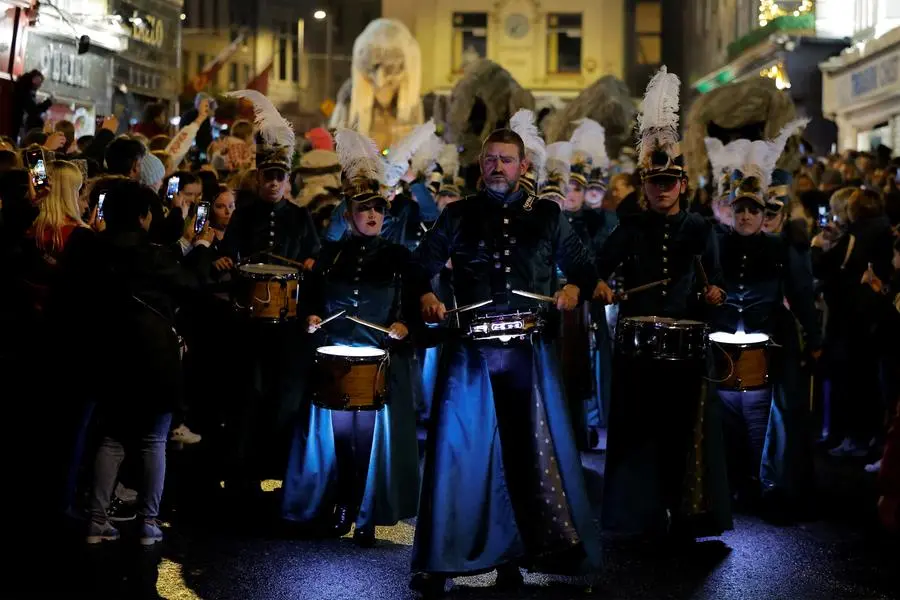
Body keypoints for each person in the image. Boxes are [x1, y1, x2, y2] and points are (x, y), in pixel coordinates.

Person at [410, 127, 601, 598]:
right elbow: (418, 267)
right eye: (491, 158)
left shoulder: (550, 216)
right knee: (459, 456)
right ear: (482, 164)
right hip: (469, 352)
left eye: (508, 159)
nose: (499, 166)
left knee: (527, 455)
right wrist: (429, 295)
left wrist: (574, 288)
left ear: (523, 167)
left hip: (528, 349)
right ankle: (439, 560)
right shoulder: (456, 216)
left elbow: (585, 268)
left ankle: (515, 555)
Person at [594, 66, 732, 540]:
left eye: (670, 182)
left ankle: (685, 513)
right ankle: (638, 514)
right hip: (636, 346)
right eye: (655, 183)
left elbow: (717, 284)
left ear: (682, 185)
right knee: (638, 433)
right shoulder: (629, 227)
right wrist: (600, 286)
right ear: (645, 186)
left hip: (687, 346)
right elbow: (596, 268)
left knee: (680, 435)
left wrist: (715, 295)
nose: (663, 189)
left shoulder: (700, 230)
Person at [282, 129, 425, 547]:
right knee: (343, 436)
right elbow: (308, 300)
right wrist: (309, 317)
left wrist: (406, 327)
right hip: (337, 359)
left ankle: (362, 510)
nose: (373, 215)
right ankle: (344, 503)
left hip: (380, 361)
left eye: (378, 208)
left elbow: (417, 307)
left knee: (366, 437)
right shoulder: (330, 256)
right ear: (349, 214)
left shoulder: (400, 258)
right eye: (365, 209)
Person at [63, 180, 214, 545]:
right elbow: (193, 286)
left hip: (107, 355)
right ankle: (148, 523)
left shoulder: (89, 250)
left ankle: (97, 522)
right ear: (144, 217)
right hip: (154, 358)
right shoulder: (155, 255)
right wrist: (201, 247)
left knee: (111, 439)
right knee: (153, 440)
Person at [706, 128, 822, 512]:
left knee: (783, 412)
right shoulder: (717, 244)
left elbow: (802, 295)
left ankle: (777, 486)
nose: (746, 216)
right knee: (720, 413)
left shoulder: (782, 247)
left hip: (772, 336)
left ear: (764, 214)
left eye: (754, 210)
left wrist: (815, 338)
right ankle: (728, 484)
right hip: (722, 342)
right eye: (740, 210)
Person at [219, 90, 320, 496]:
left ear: (288, 180)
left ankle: (279, 471)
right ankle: (243, 472)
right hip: (248, 324)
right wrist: (226, 261)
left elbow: (315, 259)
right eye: (268, 176)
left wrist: (311, 268)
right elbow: (228, 252)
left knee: (284, 398)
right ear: (258, 177)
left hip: (289, 324)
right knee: (249, 396)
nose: (274, 183)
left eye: (280, 177)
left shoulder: (300, 217)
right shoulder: (244, 215)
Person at [12, 70, 52, 141]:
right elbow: (33, 110)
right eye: (40, 82)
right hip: (17, 123)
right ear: (34, 79)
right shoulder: (25, 90)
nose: (40, 85)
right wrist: (47, 102)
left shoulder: (23, 88)